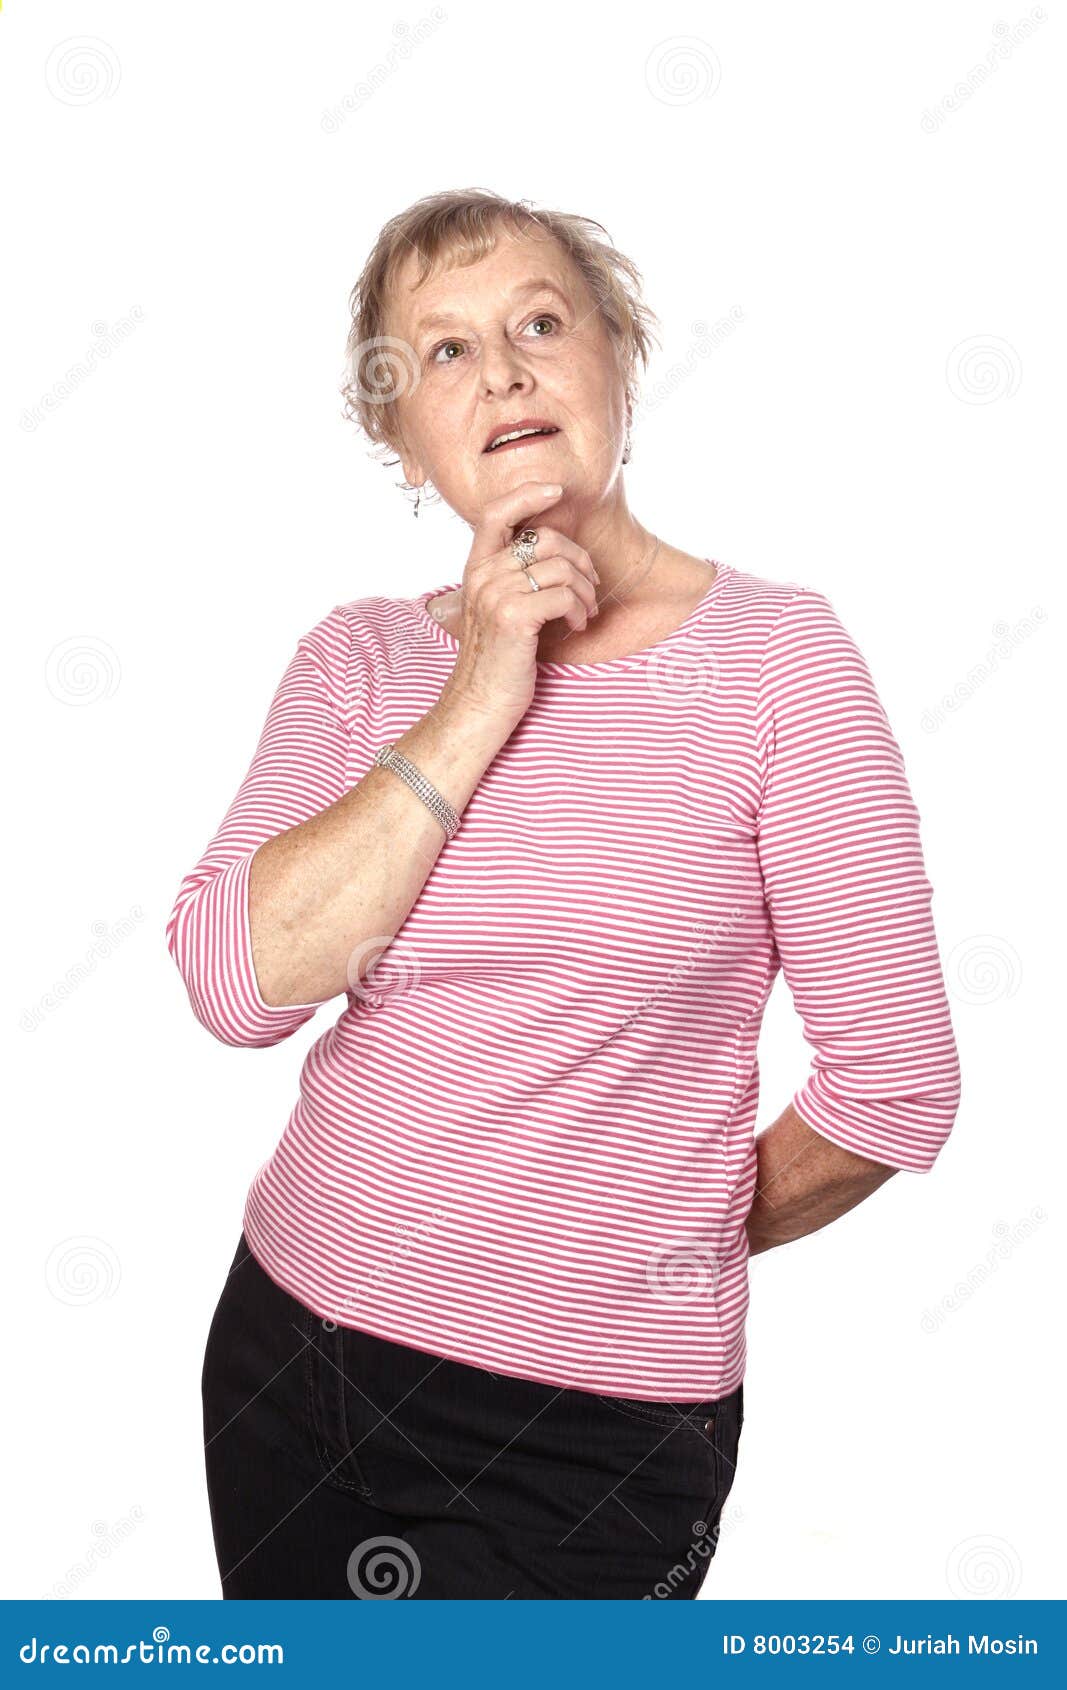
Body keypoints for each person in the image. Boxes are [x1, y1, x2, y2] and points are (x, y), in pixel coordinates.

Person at [166, 189, 962, 1600]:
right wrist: (481, 689)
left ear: (619, 360)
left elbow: (893, 1090)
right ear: (403, 437)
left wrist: (642, 1241)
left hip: (580, 1435)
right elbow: (236, 985)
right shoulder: (358, 661)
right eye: (445, 351)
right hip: (287, 1345)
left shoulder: (779, 663)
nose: (505, 371)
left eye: (541, 323)